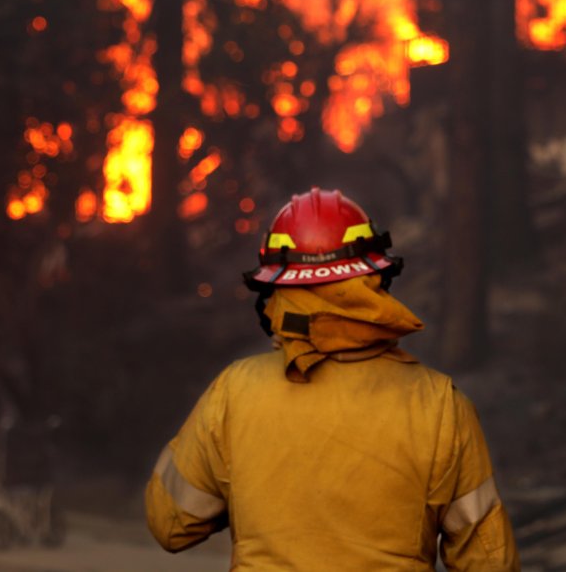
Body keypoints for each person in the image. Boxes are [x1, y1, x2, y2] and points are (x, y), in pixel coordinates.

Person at [145, 187, 519, 571]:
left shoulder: (233, 393)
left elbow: (170, 523)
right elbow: (489, 564)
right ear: (378, 280)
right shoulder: (440, 405)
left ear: (275, 289)